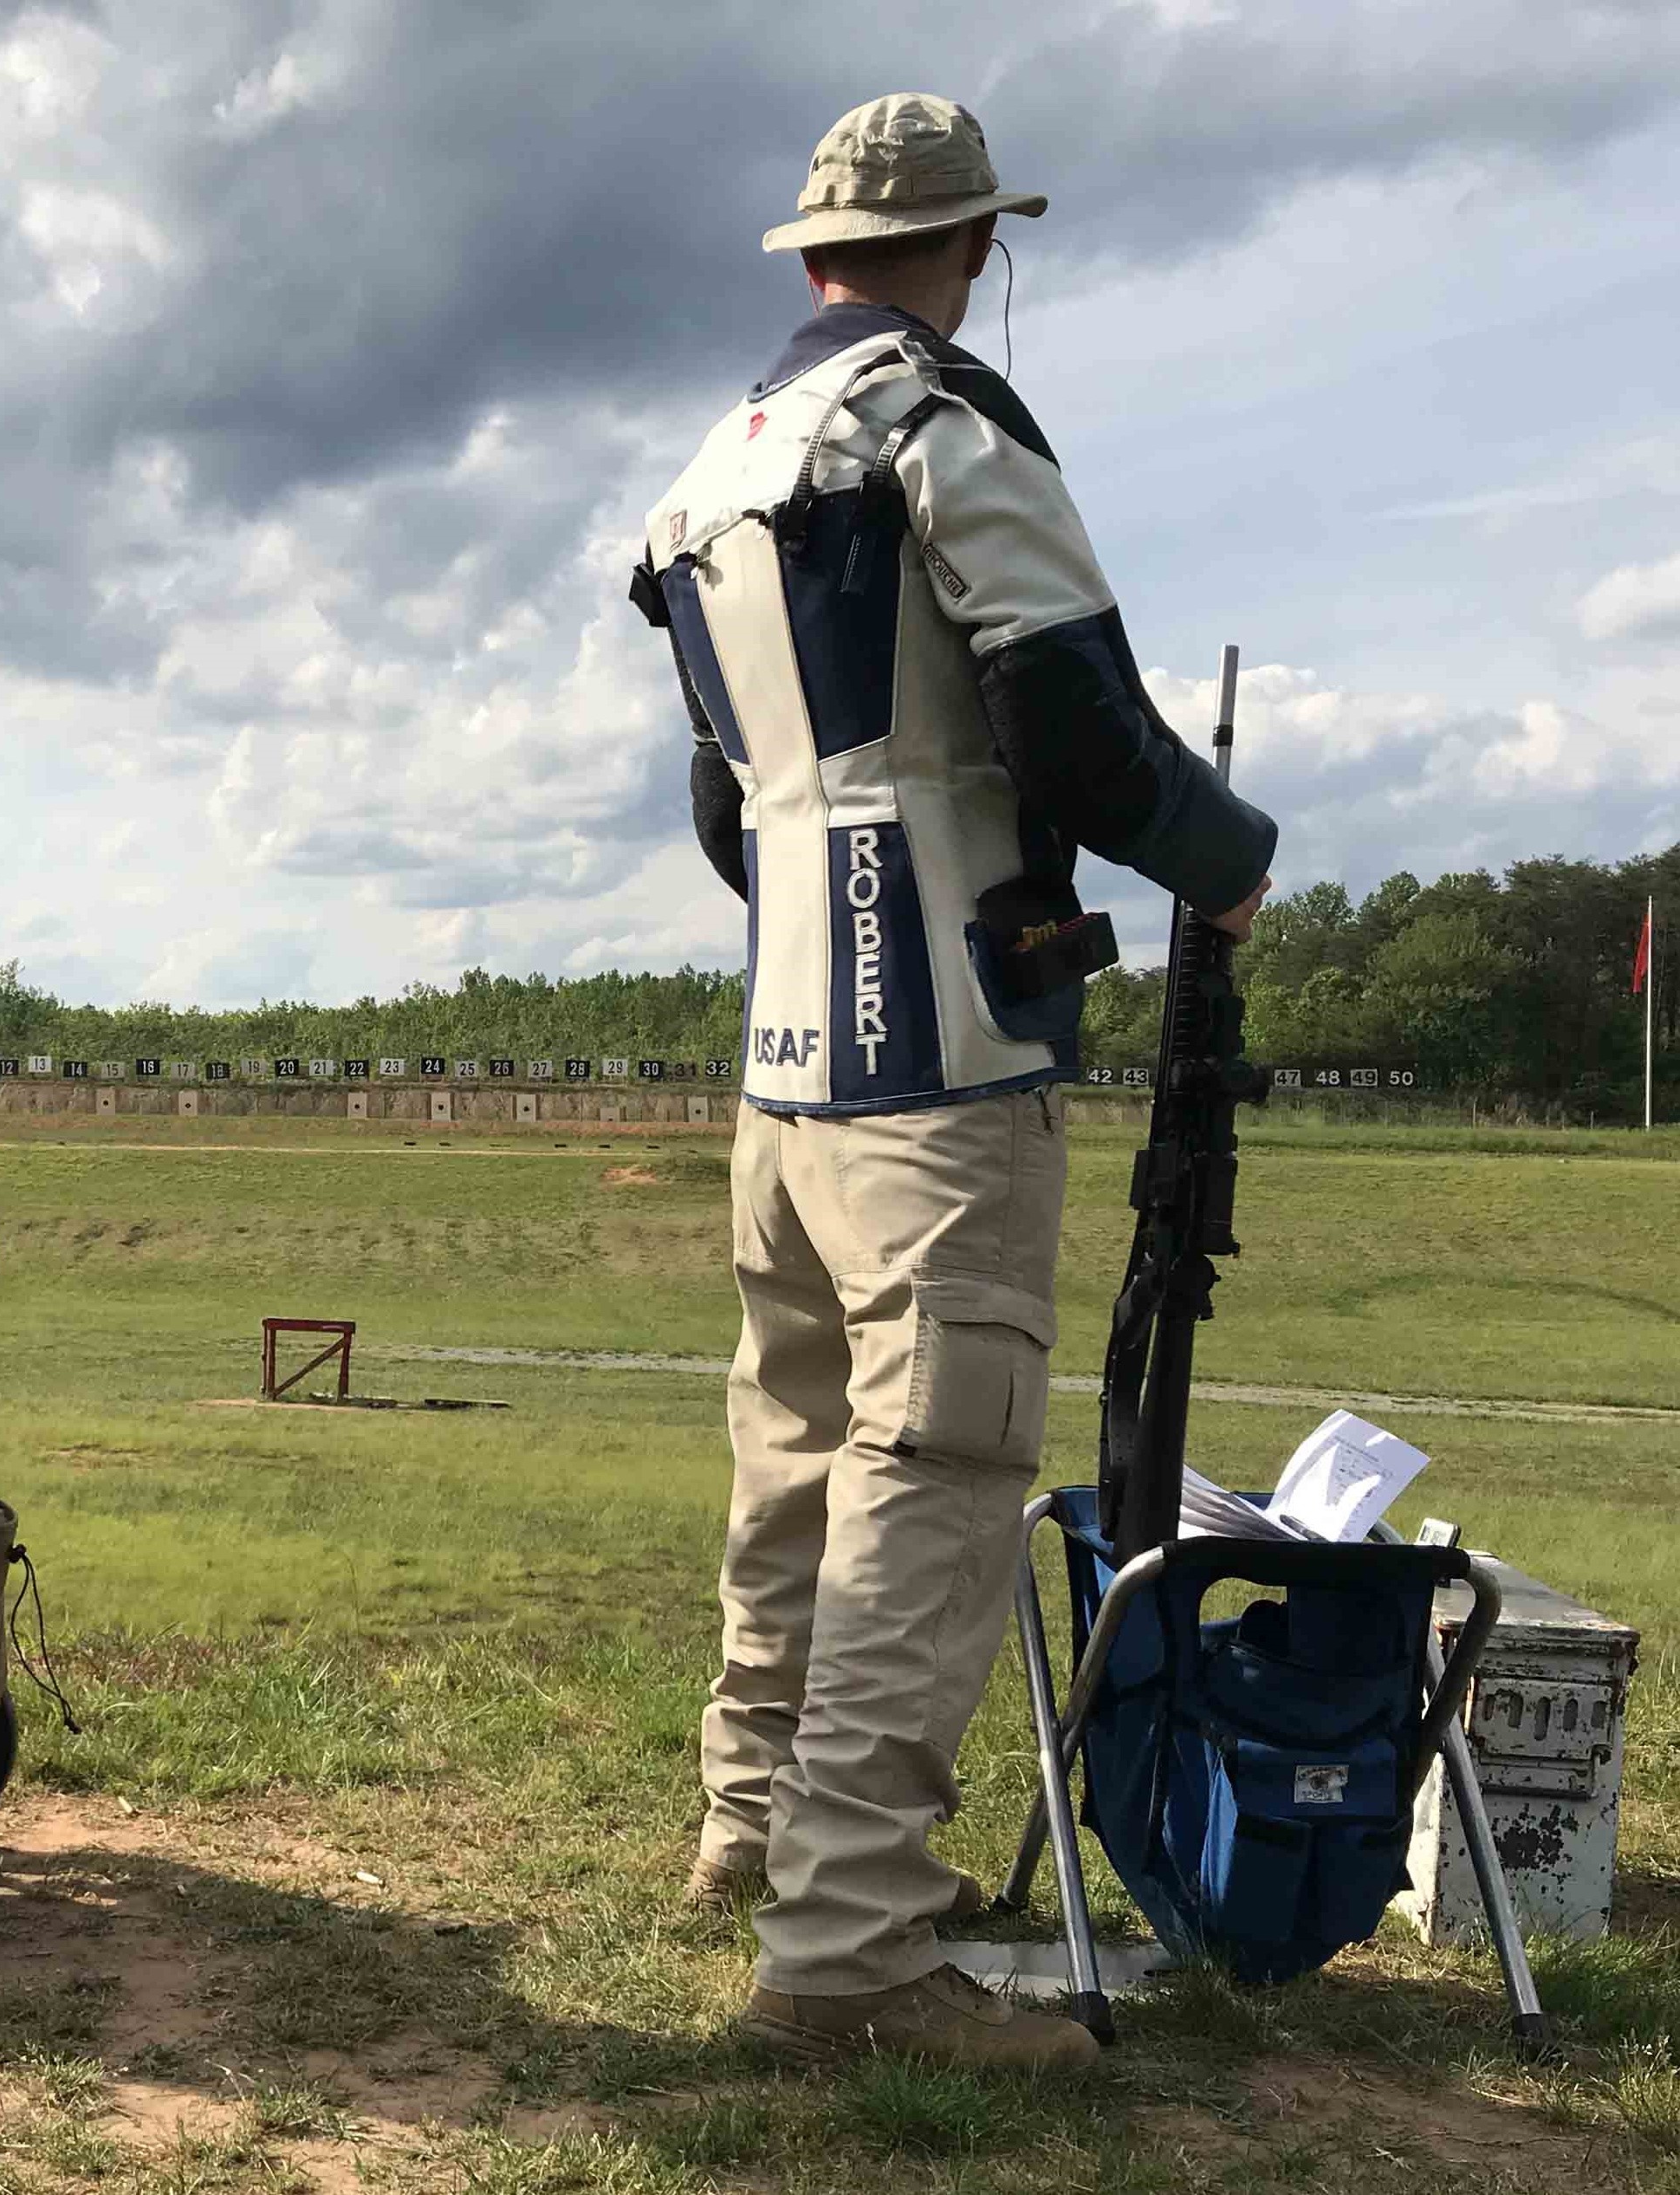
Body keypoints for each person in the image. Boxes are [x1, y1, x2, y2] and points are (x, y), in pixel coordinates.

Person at [631, 95, 1275, 2071]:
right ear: (971, 244)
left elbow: (720, 802)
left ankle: (749, 1831)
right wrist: (1224, 860)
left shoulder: (705, 477)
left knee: (793, 1447)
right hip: (949, 1055)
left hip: (784, 1054)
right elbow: (1072, 717)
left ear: (812, 250)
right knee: (938, 1468)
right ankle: (848, 1956)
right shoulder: (939, 421)